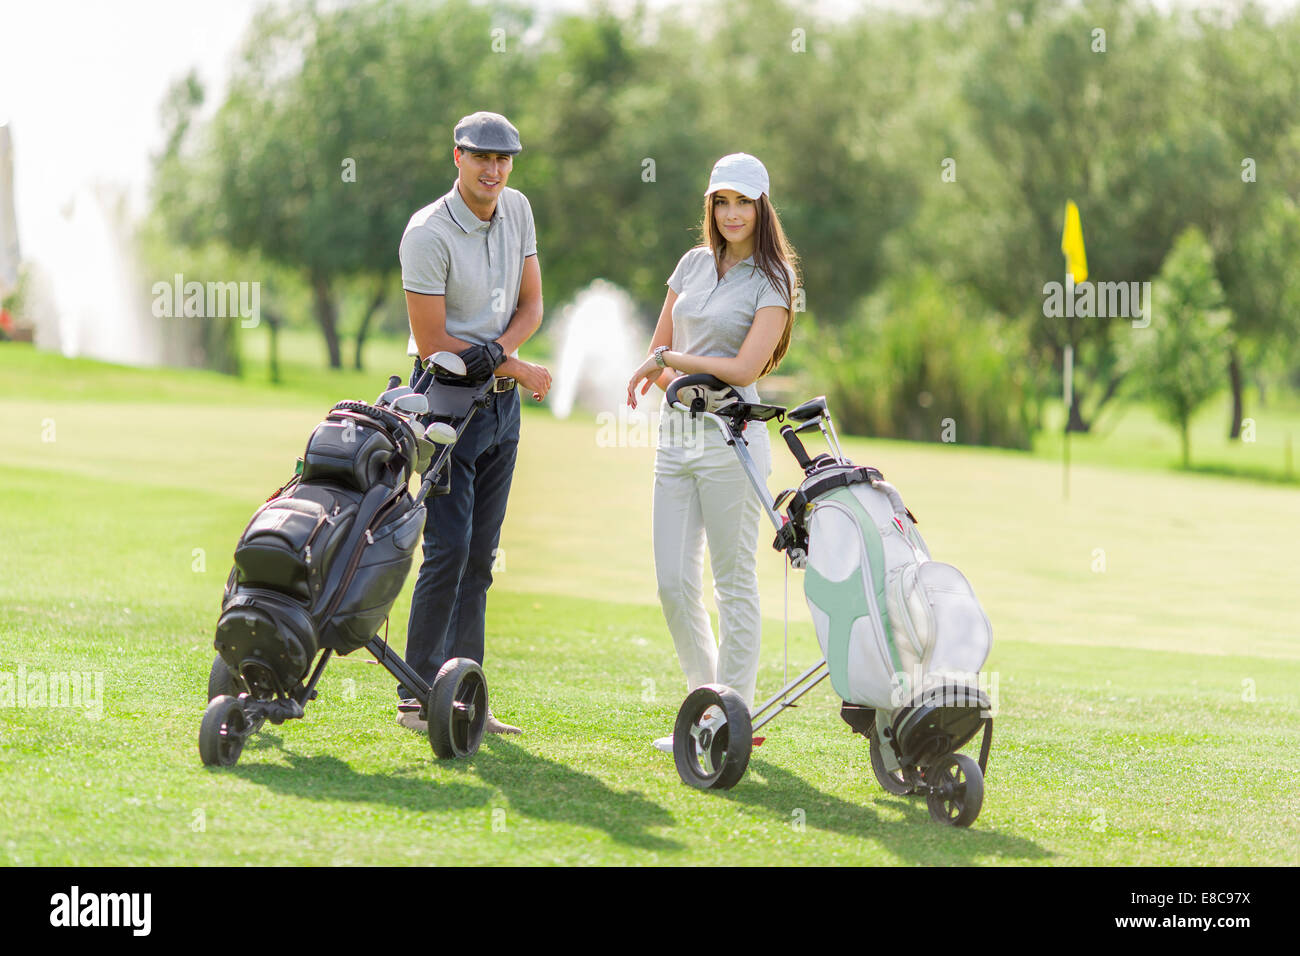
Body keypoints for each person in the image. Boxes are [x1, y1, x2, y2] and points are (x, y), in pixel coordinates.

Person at [626, 153, 800, 751]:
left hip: (734, 438)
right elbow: (657, 348)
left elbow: (744, 368)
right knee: (674, 582)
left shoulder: (773, 282)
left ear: (761, 208)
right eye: (722, 202)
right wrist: (659, 364)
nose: (731, 213)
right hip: (677, 438)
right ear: (711, 206)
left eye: (743, 202)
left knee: (733, 582)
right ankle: (706, 708)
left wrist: (673, 362)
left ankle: (734, 720)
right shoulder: (692, 265)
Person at [397, 111, 552, 734]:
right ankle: (416, 697)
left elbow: (532, 304)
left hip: (499, 405)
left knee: (481, 555)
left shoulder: (517, 209)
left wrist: (504, 359)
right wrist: (510, 364)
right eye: (480, 157)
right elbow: (432, 339)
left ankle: (463, 698)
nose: (493, 170)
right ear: (455, 156)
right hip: (443, 402)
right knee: (448, 549)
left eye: (503, 159)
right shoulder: (427, 232)